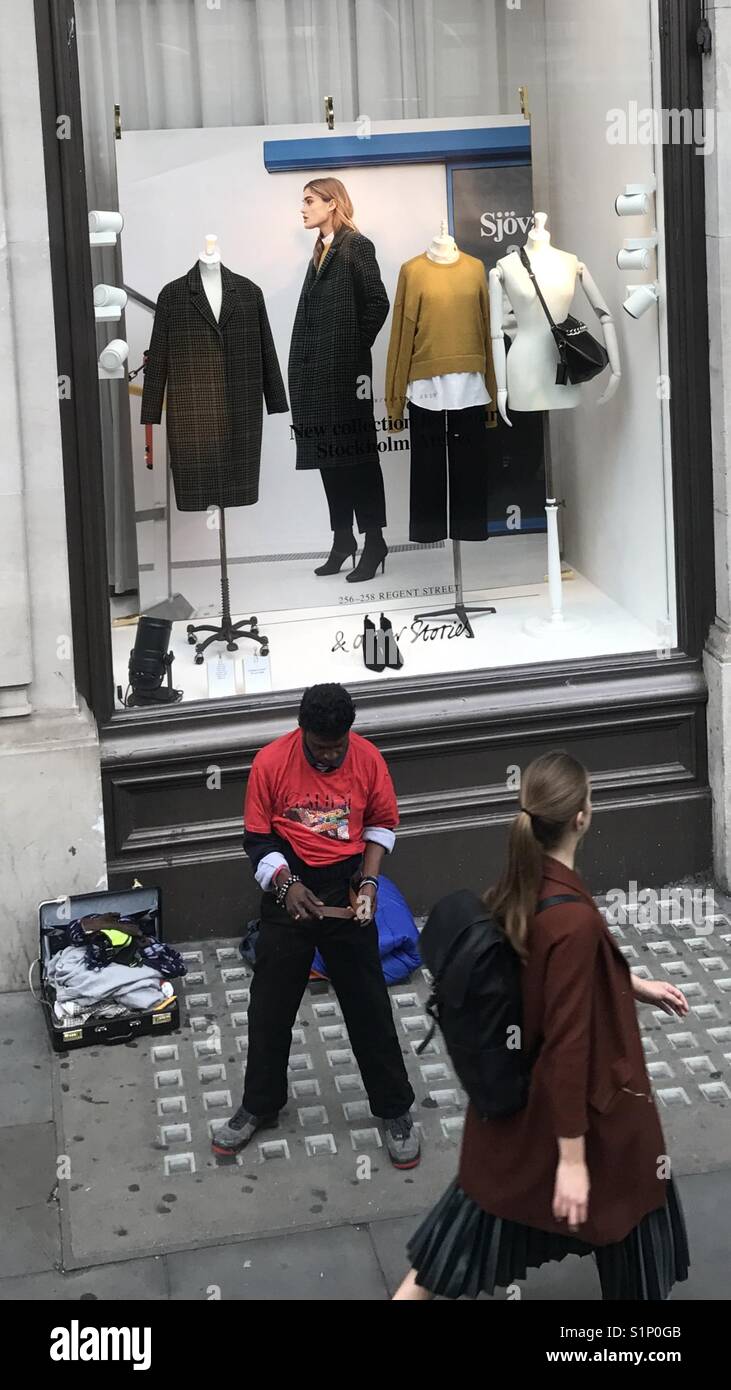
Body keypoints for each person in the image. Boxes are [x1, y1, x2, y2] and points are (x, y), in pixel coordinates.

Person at [393, 751, 690, 1300]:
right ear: (581, 816)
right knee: (633, 1233)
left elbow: (549, 979)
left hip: (515, 1124)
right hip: (591, 1126)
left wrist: (631, 984)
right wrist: (574, 1163)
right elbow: (569, 1045)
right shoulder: (572, 916)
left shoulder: (522, 882)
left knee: (456, 1244)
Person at [213, 683, 419, 1168]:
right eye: (319, 746)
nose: (329, 756)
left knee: (369, 1005)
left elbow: (381, 826)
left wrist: (368, 886)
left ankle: (394, 1110)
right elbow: (257, 839)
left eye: (336, 746)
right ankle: (259, 1105)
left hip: (345, 887)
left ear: (349, 733)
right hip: (289, 886)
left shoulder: (368, 760)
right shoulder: (270, 763)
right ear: (301, 730)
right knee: (269, 1007)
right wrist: (285, 887)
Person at [288, 177, 390, 583]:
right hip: (315, 376)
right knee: (329, 458)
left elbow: (378, 303)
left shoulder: (356, 246)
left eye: (310, 201)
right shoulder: (321, 251)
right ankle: (343, 539)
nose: (303, 208)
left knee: (359, 459)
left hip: (346, 376)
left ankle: (375, 540)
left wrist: (351, 350)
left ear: (333, 204)